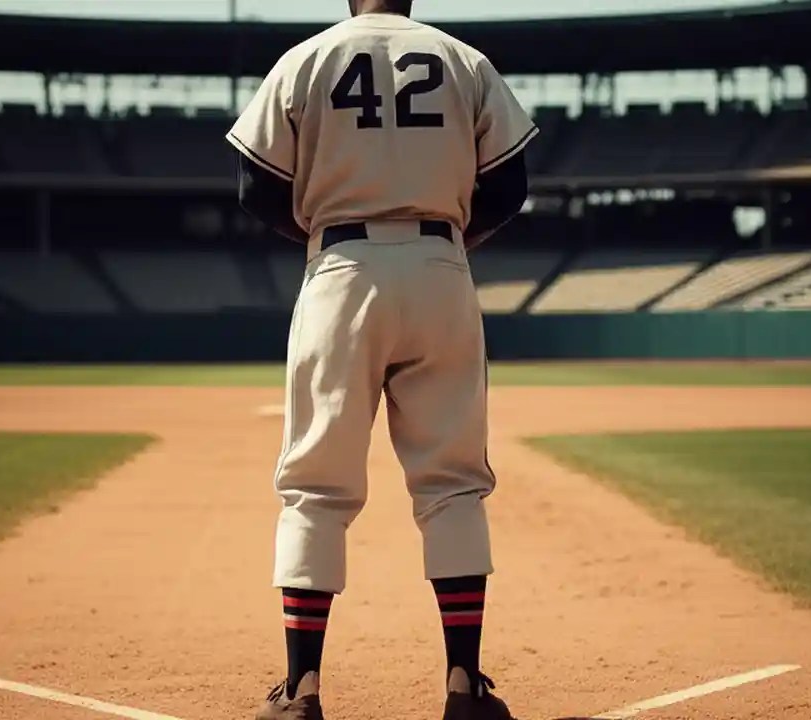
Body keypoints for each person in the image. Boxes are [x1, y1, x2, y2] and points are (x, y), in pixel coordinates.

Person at [227, 1, 535, 718]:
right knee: (454, 484)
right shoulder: (464, 60)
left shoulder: (305, 59)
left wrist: (331, 236)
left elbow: (254, 187)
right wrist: (441, 243)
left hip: (340, 267)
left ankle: (301, 690)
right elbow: (511, 185)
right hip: (440, 265)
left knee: (315, 485)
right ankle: (464, 686)